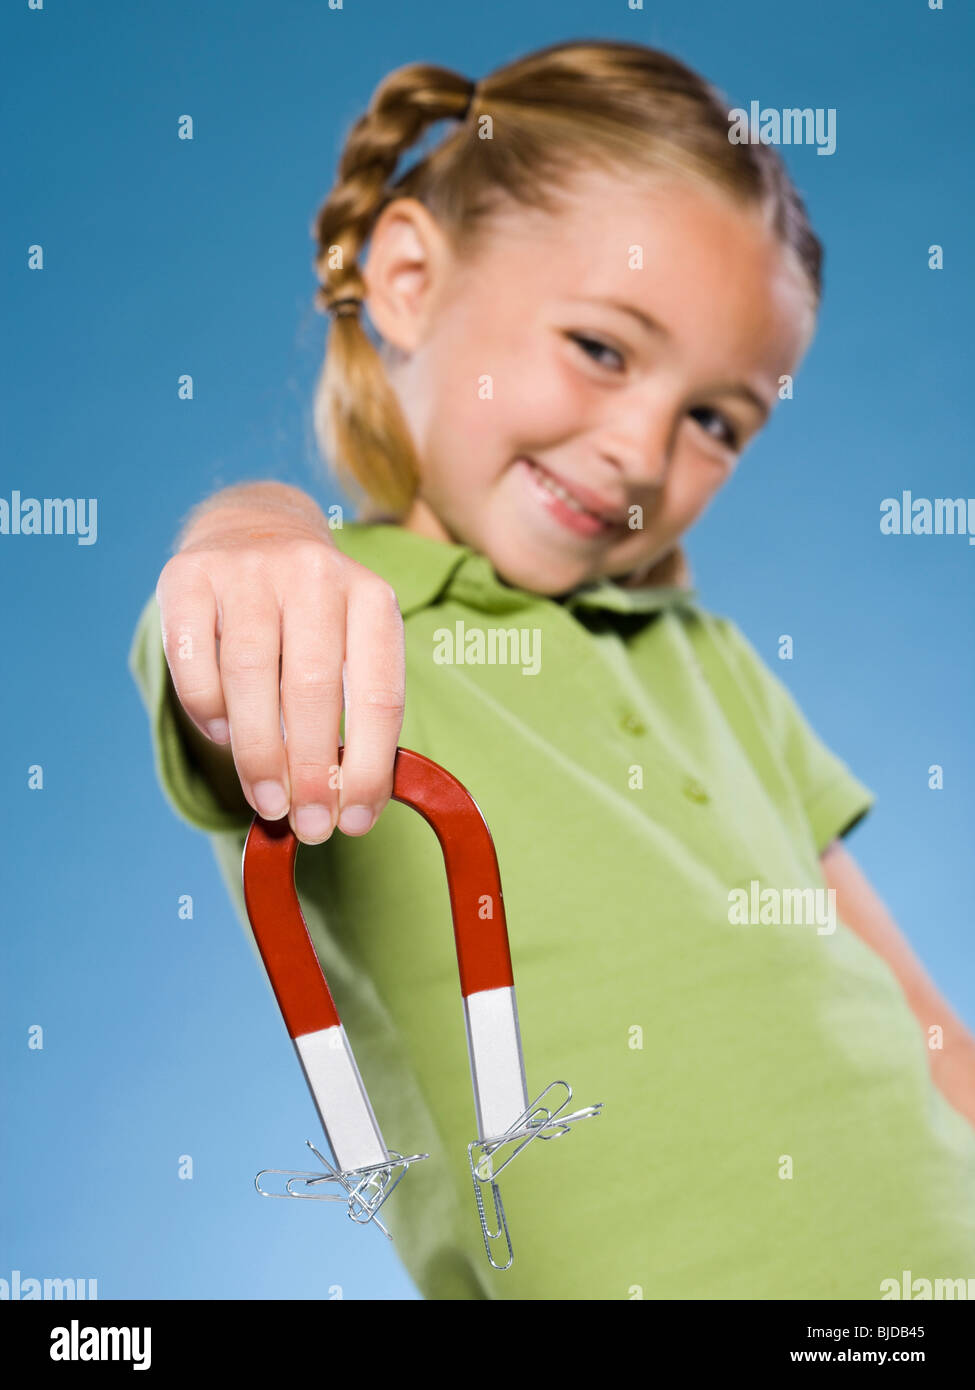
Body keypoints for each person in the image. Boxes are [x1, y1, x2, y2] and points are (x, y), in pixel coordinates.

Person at [129, 39, 975, 1300]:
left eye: (714, 421)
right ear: (409, 279)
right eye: (601, 346)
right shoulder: (339, 629)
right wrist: (252, 534)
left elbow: (922, 1024)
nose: (641, 450)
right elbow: (232, 622)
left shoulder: (713, 664)